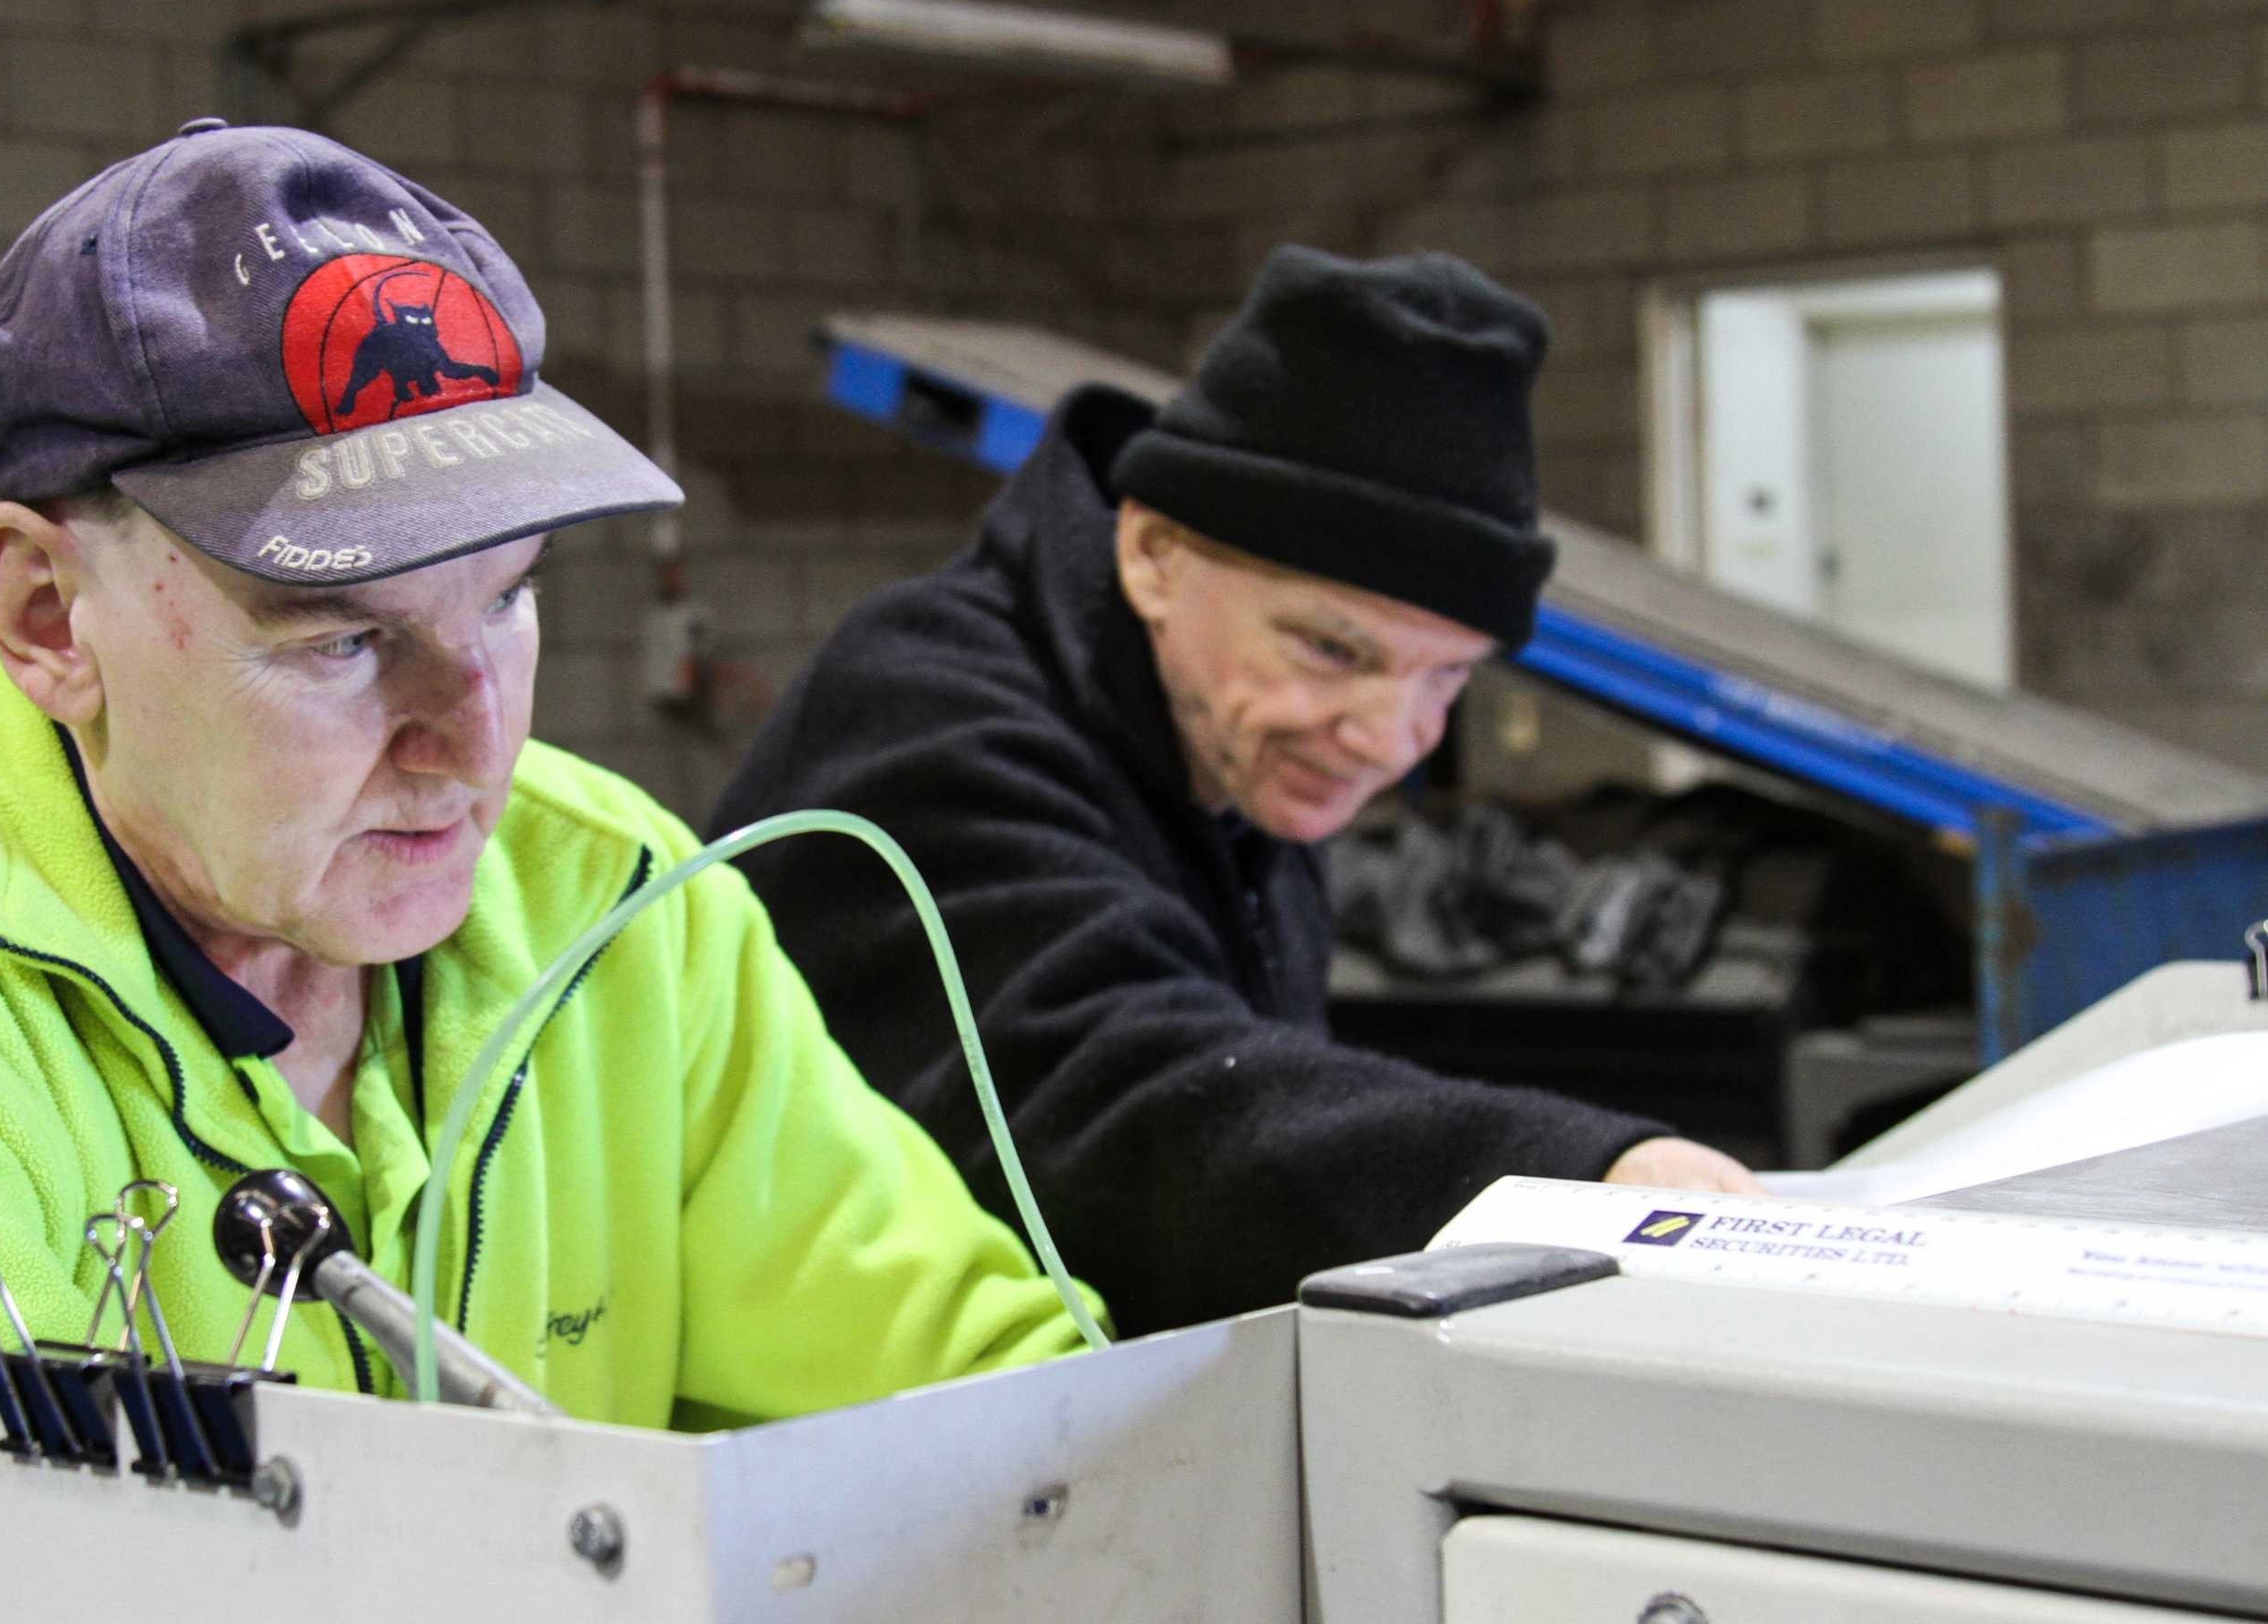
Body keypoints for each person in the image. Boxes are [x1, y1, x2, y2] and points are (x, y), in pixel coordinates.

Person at [0, 123, 1095, 1624]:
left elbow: (1016, 1432)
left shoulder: (615, 907)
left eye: (507, 601)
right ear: (46, 618)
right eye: (345, 640)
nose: (471, 743)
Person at [709, 246, 1758, 1342]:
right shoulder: (926, 713)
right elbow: (1131, 1117)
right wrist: (1577, 1176)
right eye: (1332, 647)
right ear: (1155, 555)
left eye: (1446, 675)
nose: (1389, 738)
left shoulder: (1233, 745)